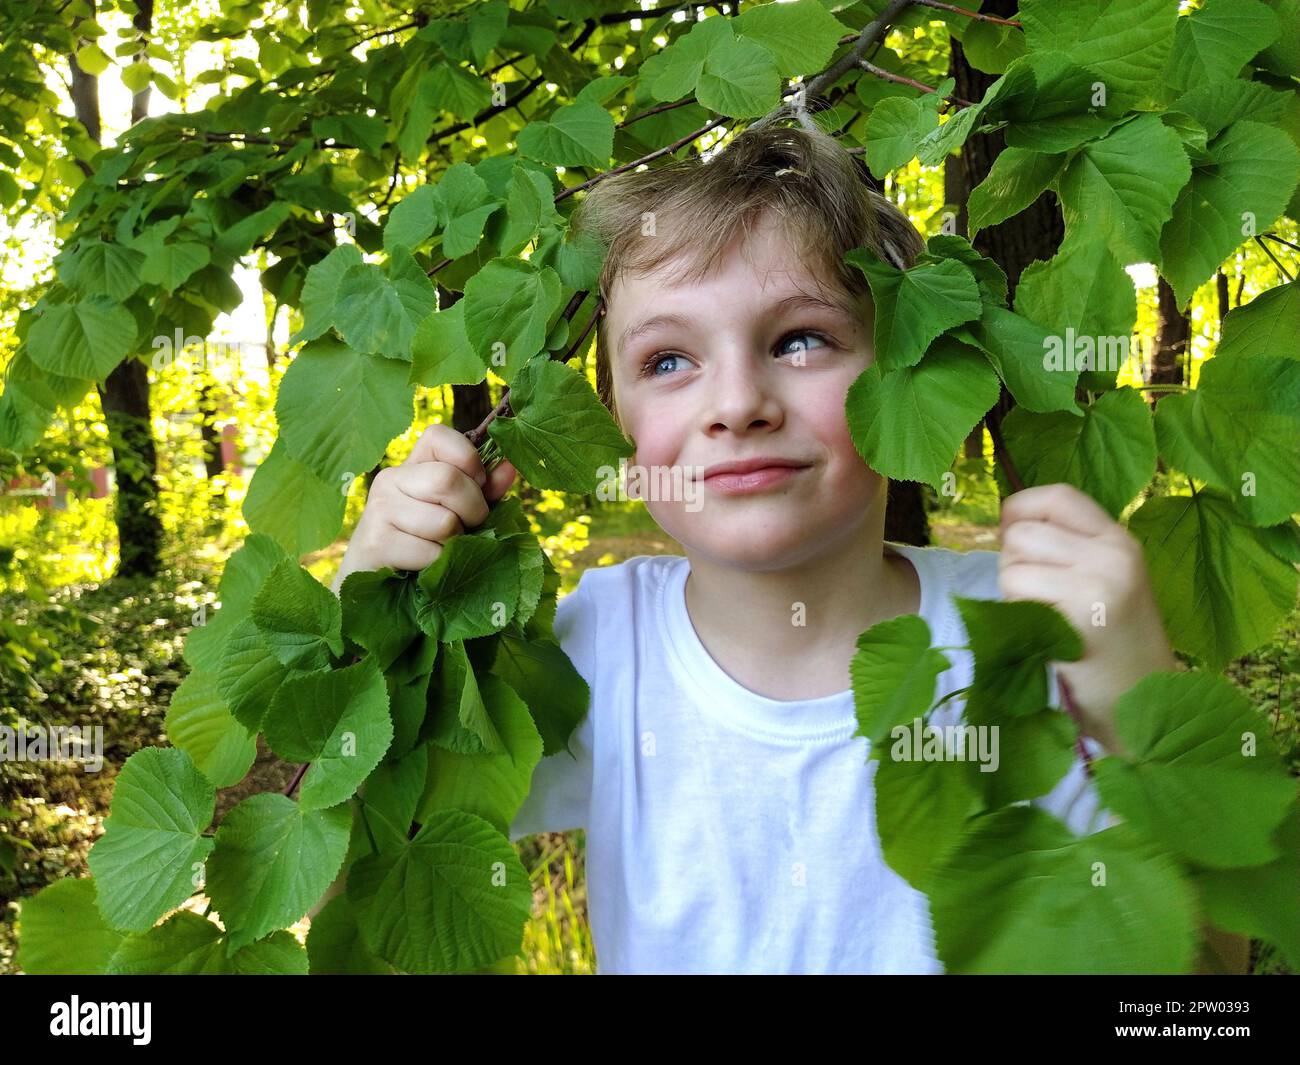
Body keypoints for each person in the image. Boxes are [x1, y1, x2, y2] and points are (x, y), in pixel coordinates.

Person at [325, 107, 1244, 974]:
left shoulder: (1027, 633)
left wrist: (1134, 703)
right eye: (668, 361)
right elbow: (350, 858)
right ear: (616, 422)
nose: (735, 405)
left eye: (801, 339)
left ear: (900, 374)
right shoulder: (599, 651)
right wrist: (366, 616)